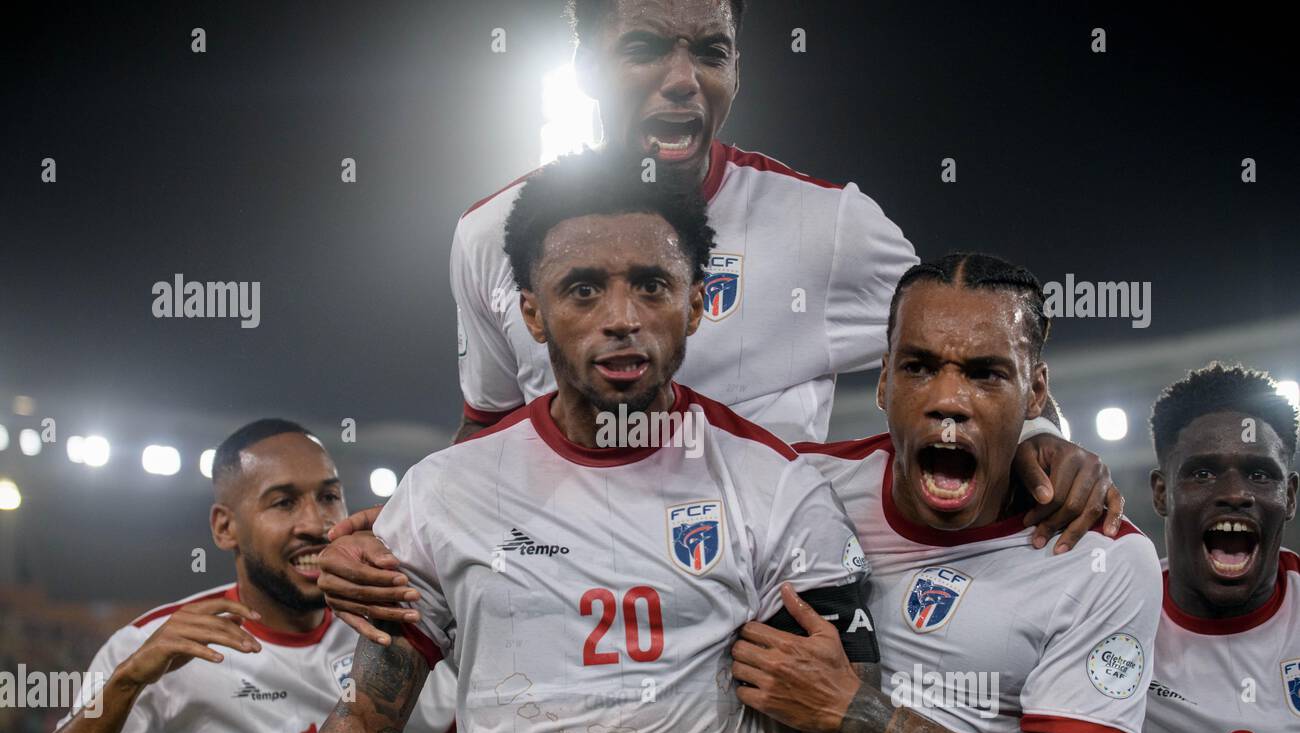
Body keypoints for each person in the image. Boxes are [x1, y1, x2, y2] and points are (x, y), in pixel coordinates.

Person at [319, 0, 1125, 647]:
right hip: (578, 629)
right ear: (580, 65)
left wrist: (1032, 438)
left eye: (710, 51)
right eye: (644, 47)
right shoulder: (493, 235)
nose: (682, 80)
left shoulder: (826, 226)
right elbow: (489, 427)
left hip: (768, 634)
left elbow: (966, 344)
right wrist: (403, 535)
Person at [268, 149, 917, 733]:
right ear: (531, 314)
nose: (621, 319)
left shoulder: (781, 492)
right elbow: (366, 726)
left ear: (697, 303)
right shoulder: (443, 494)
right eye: (582, 290)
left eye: (650, 286)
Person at [730, 253, 1164, 733]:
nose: (948, 401)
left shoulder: (1101, 559)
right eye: (919, 367)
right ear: (883, 381)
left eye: (986, 374)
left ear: (1035, 391)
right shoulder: (798, 488)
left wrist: (859, 711)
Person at [21, 419, 453, 733]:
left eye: (328, 496)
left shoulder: (383, 634)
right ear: (225, 528)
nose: (317, 523)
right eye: (283, 502)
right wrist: (126, 682)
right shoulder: (150, 645)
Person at [1089, 363, 1299, 733]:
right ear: (1161, 492)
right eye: (1203, 471)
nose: (1234, 493)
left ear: (1290, 496)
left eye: (1260, 473)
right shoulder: (1101, 617)